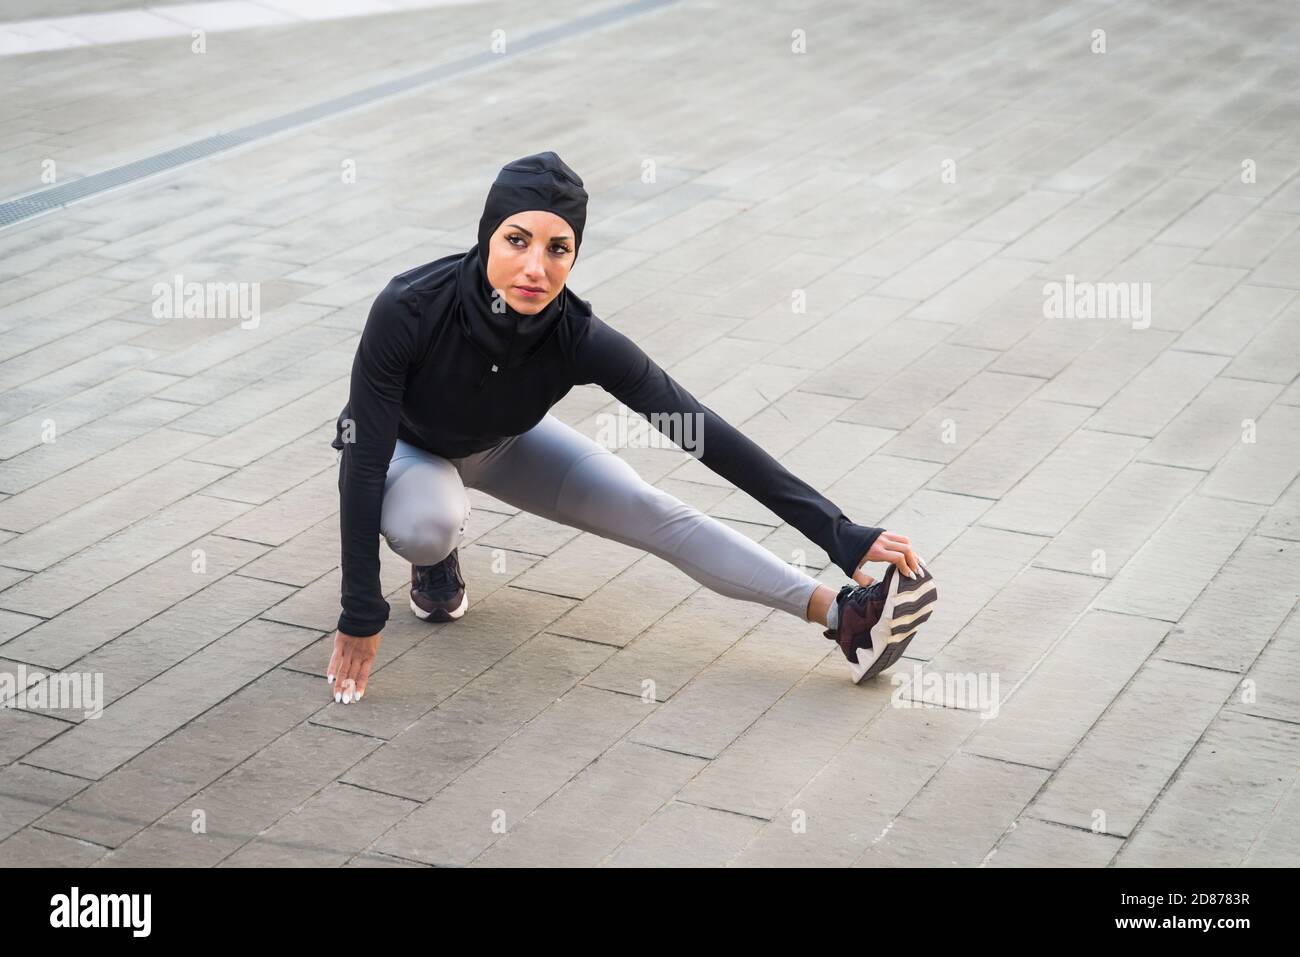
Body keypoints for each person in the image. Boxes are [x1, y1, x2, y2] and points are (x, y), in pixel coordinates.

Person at [327, 151, 937, 704]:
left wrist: (839, 533)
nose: (535, 267)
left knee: (651, 508)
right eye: (517, 240)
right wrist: (360, 610)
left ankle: (846, 622)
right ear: (488, 236)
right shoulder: (408, 308)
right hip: (406, 451)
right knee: (430, 523)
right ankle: (435, 561)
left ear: (574, 254)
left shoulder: (578, 337)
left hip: (502, 444)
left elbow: (699, 430)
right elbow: (363, 455)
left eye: (558, 248)